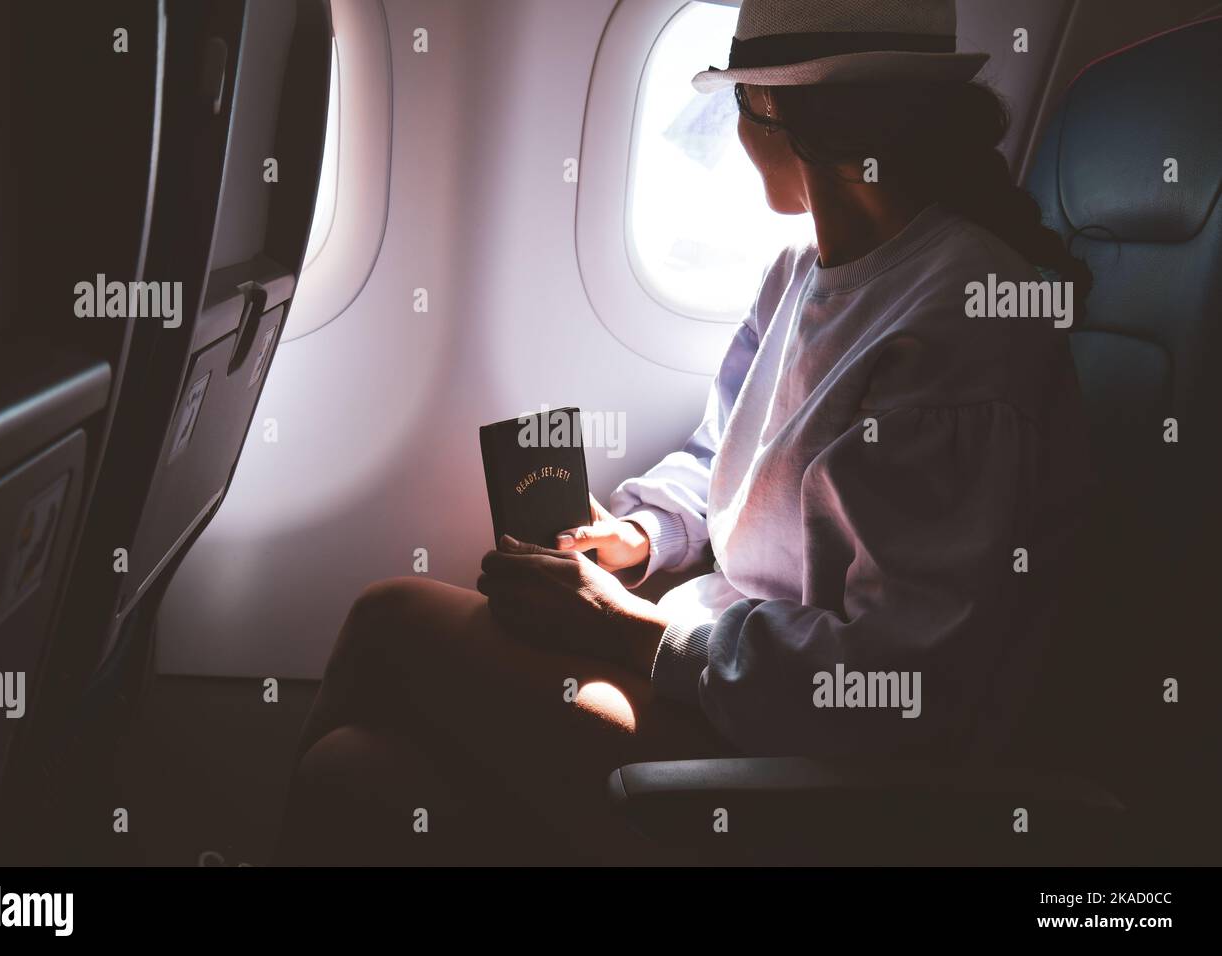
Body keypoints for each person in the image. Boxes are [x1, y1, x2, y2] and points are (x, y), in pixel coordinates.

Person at [276, 0, 1093, 865]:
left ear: (777, 117)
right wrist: (639, 534)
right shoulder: (800, 272)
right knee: (353, 776)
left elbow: (899, 691)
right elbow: (721, 460)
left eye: (738, 105)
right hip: (721, 682)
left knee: (390, 615)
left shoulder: (957, 321)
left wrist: (626, 627)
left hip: (810, 768)